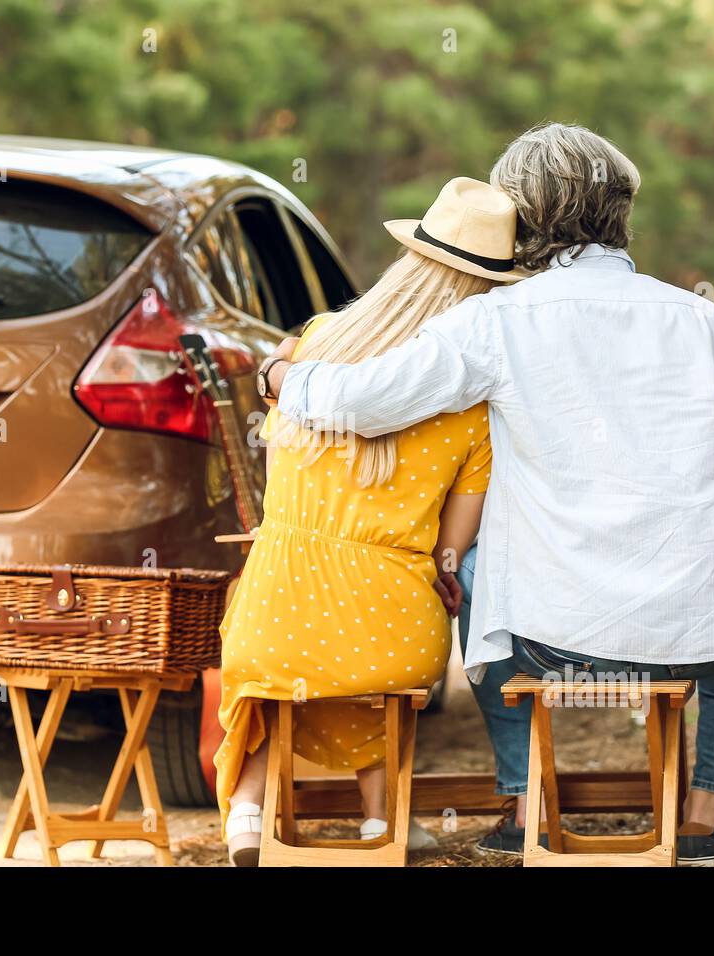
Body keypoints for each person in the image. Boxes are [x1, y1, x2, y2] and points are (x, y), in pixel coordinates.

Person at [261, 123, 714, 867]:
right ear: (622, 212)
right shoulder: (704, 321)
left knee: (470, 570)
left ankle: (521, 806)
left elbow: (365, 399)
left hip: (552, 643)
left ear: (524, 218)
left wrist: (281, 376)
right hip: (700, 643)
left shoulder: (490, 322)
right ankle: (709, 810)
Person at [216, 178, 526, 866]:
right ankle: (384, 817)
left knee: (277, 657)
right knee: (379, 653)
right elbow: (457, 536)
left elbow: (278, 472)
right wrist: (445, 572)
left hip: (278, 615)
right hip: (393, 631)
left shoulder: (316, 344)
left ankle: (246, 811)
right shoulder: (472, 403)